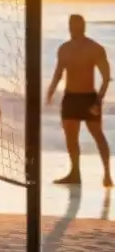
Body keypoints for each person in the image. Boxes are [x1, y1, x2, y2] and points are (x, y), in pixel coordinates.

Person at [46, 14, 112, 187]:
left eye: (76, 25)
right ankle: (75, 173)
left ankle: (107, 174)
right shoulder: (64, 49)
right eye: (72, 25)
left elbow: (106, 77)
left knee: (98, 135)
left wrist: (98, 100)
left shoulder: (95, 48)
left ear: (83, 27)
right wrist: (51, 91)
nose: (73, 29)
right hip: (70, 99)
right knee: (71, 138)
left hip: (89, 98)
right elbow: (58, 73)